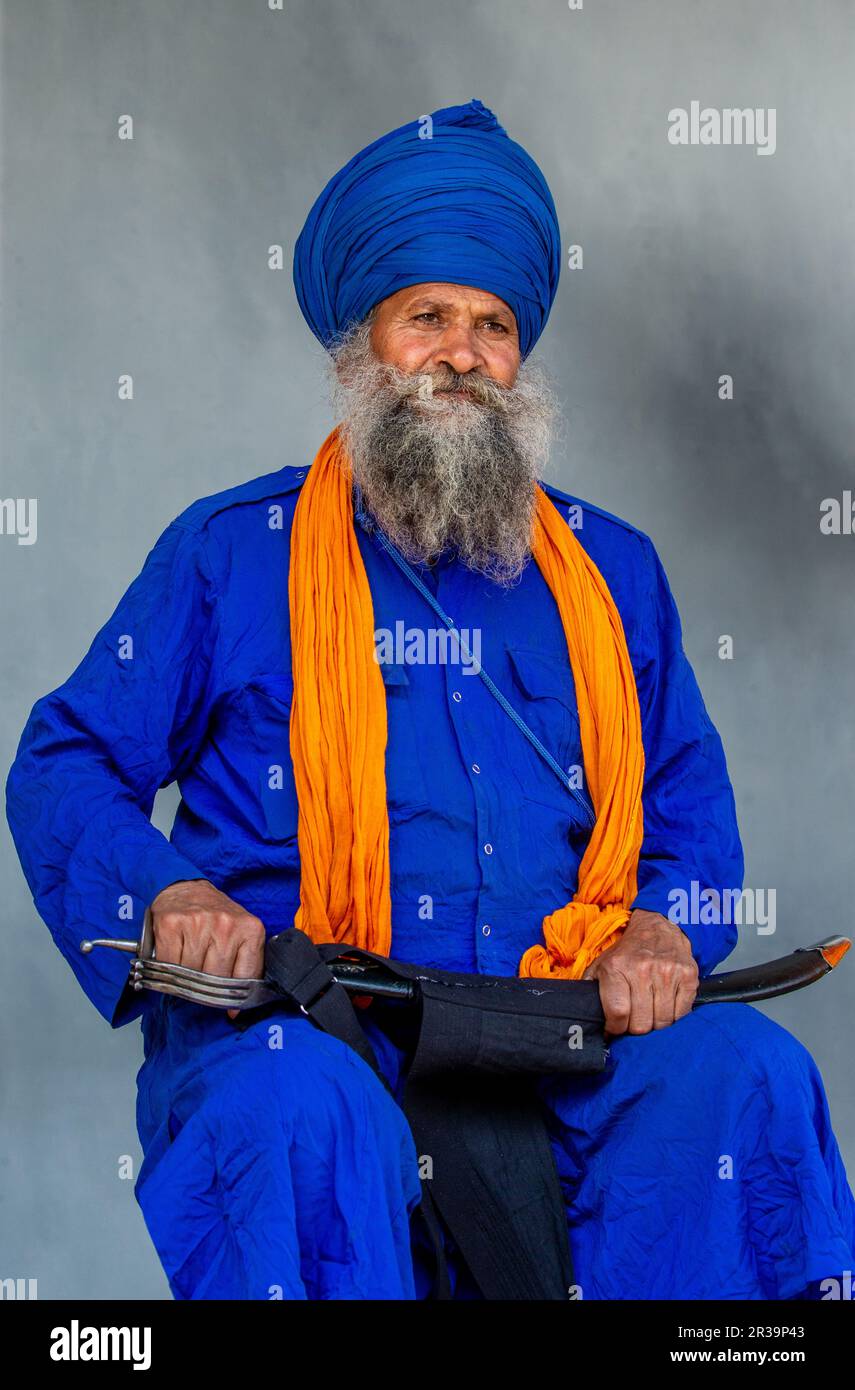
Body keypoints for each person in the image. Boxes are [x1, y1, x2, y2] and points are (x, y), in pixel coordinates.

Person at [6, 99, 854, 1301]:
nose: (463, 354)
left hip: (561, 1040)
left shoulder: (615, 571)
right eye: (430, 318)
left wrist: (665, 929)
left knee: (748, 1075)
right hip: (310, 1027)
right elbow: (64, 763)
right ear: (366, 347)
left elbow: (688, 817)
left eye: (493, 326)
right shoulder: (228, 556)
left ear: (520, 359)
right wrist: (170, 894)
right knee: (296, 1109)